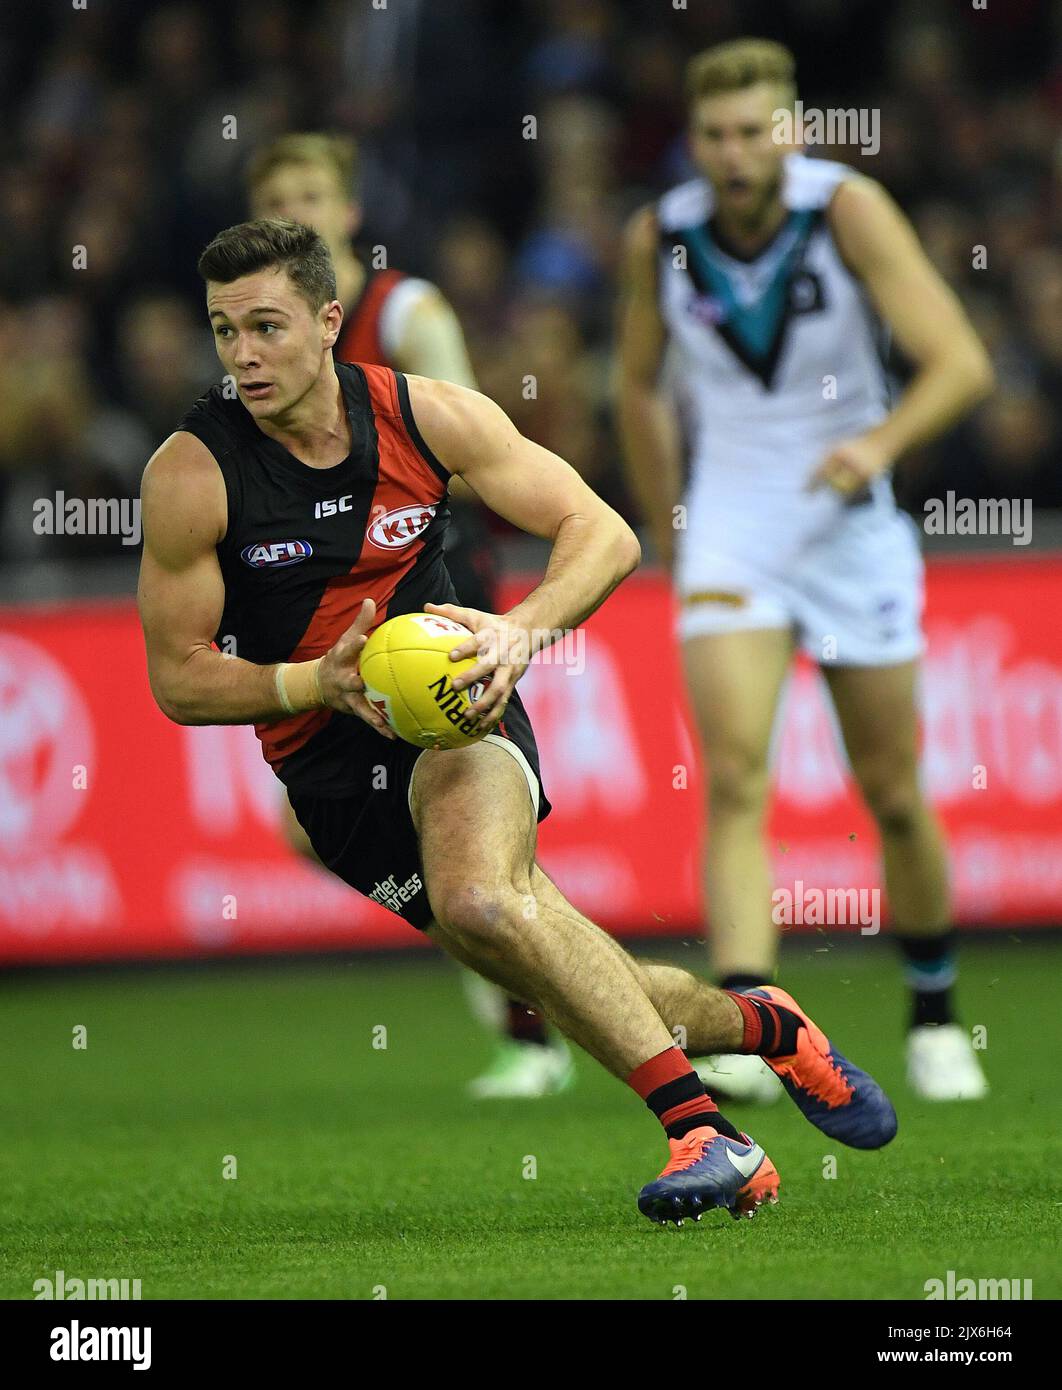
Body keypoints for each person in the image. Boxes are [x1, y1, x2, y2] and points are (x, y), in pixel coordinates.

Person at [137, 217, 898, 1223]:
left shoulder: (425, 415)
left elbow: (606, 532)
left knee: (484, 902)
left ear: (330, 323)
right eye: (224, 331)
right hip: (325, 761)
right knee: (583, 975)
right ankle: (766, 1024)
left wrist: (519, 631)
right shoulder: (193, 473)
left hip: (456, 713)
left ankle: (707, 1135)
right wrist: (310, 683)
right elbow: (178, 679)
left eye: (266, 327)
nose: (244, 355)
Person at [617, 38, 993, 1103]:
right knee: (734, 779)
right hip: (734, 527)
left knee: (893, 788)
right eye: (717, 135)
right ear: (694, 141)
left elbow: (960, 361)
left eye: (755, 130)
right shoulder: (664, 235)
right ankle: (752, 1025)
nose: (736, 154)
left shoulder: (847, 211)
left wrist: (877, 447)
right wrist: (671, 522)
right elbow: (638, 384)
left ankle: (933, 1009)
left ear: (790, 130)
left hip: (850, 523)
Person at [247, 133, 571, 1097]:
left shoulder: (406, 311)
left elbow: (465, 438)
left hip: (430, 585)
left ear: (349, 212)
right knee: (329, 829)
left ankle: (539, 1027)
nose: (297, 210)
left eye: (313, 192)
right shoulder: (258, 335)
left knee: (461, 809)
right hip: (327, 615)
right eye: (277, 198)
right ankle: (538, 998)